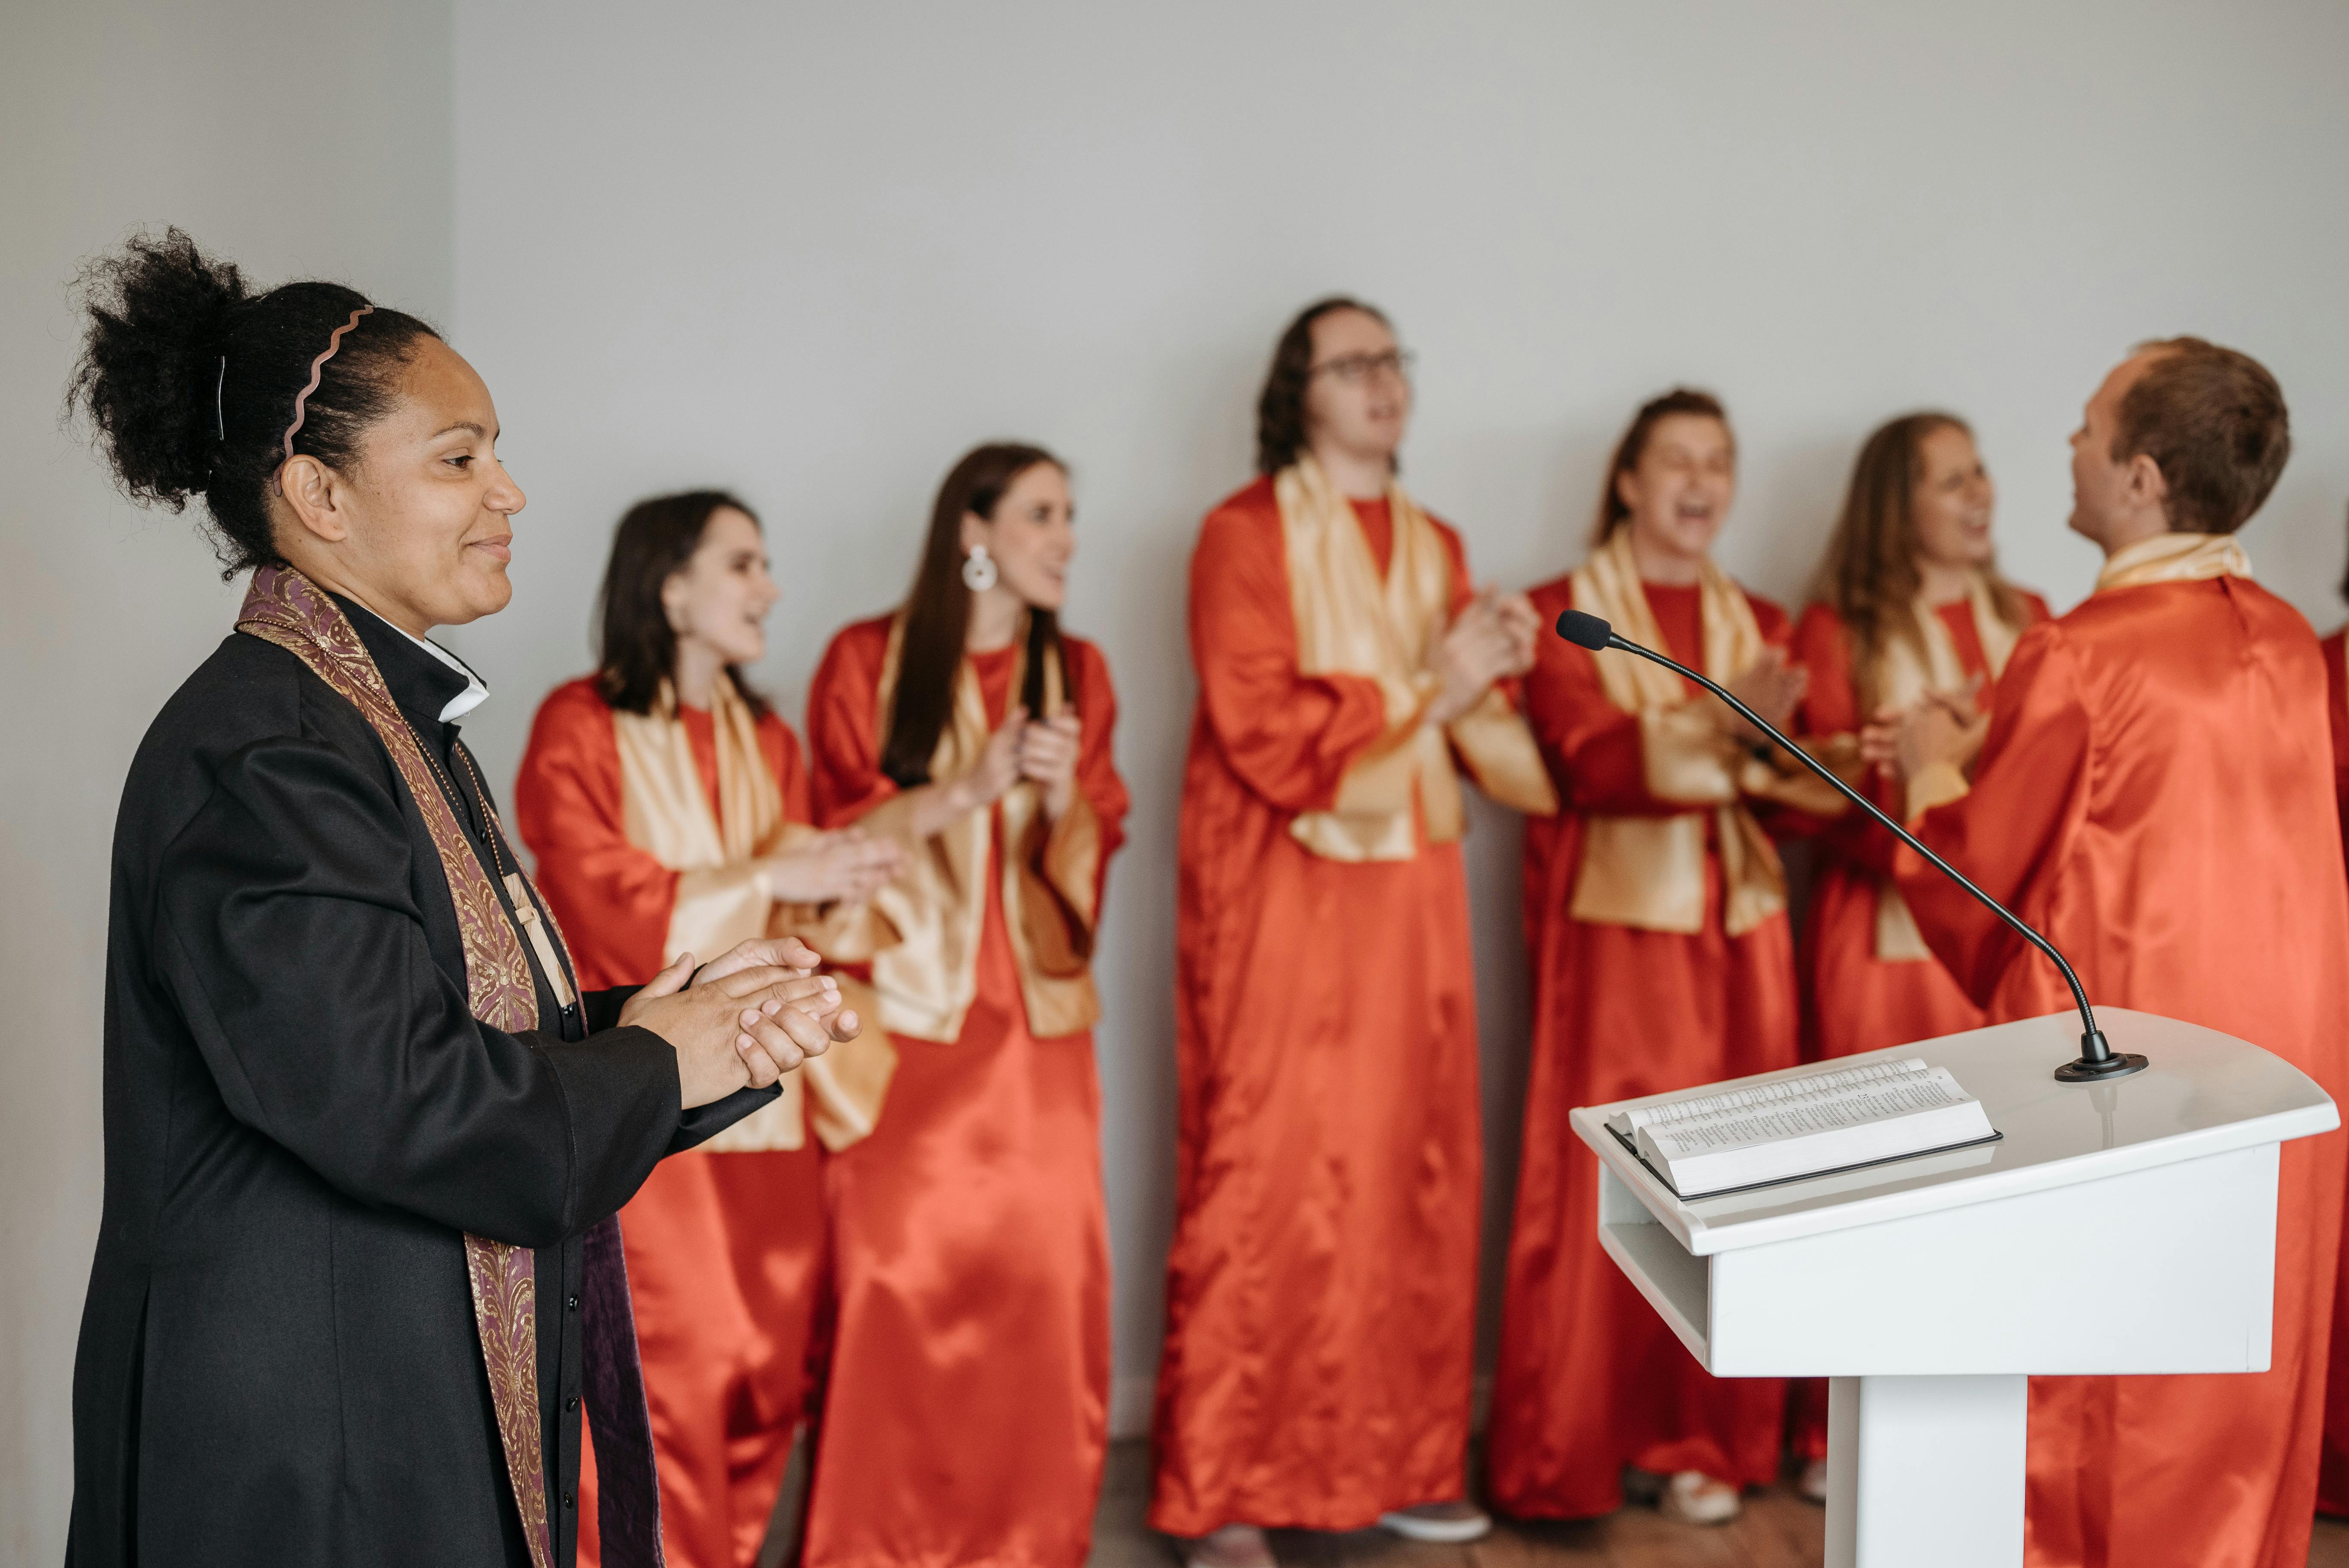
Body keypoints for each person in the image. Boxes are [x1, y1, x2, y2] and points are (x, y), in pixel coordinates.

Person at [62, 229, 858, 1568]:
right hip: (312, 1447)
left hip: (385, 1391)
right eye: (460, 456)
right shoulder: (262, 748)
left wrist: (670, 1022)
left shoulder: (379, 715)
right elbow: (398, 1097)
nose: (512, 492)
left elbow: (434, 1024)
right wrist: (660, 1062)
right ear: (318, 491)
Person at [1878, 338, 2346, 1568]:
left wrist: (1930, 762)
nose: (2069, 451)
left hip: (2139, 1079)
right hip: (2285, 1074)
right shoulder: (2293, 640)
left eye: (2087, 431)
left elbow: (1982, 886)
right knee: (2240, 1375)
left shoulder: (2078, 652)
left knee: (2114, 1384)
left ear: (2140, 478)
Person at [1152, 298, 1553, 1568]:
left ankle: (1394, 1456)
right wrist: (1437, 681)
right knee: (1268, 1171)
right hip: (1282, 888)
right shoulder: (1242, 532)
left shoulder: (1436, 541)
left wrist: (1491, 676)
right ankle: (1223, 1486)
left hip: (1410, 899)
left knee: (1411, 1164)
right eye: (1353, 362)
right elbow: (1261, 724)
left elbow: (1471, 733)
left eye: (1394, 359)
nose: (1384, 381)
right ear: (1297, 390)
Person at [514, 491, 903, 1568]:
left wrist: (838, 883)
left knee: (768, 1374)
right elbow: (599, 900)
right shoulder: (575, 726)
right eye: (744, 564)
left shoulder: (767, 737)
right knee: (678, 1373)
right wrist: (780, 869)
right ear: (669, 585)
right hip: (651, 1106)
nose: (770, 588)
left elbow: (792, 909)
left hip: (771, 1108)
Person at [1488, 388, 1839, 1528]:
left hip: (1740, 938)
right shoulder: (1561, 611)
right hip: (1620, 941)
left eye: (1721, 461)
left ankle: (1711, 1434)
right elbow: (1586, 760)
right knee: (1610, 1184)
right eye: (1676, 459)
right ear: (1628, 480)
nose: (1701, 481)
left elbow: (1794, 801)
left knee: (1743, 1177)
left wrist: (1817, 755)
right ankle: (1575, 1443)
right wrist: (1729, 734)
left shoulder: (1767, 622)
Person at [797, 442, 1129, 1568]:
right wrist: (970, 789)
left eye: (1071, 513)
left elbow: (1102, 837)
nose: (1067, 536)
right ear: (972, 533)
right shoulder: (862, 658)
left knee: (1047, 1291)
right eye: (1043, 512)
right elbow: (829, 843)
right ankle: (875, 1542)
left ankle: (1030, 1542)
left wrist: (1062, 800)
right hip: (900, 1034)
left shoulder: (1080, 670)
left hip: (1035, 1037)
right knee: (892, 1287)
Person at [1783, 413, 2051, 1493]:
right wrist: (1894, 773)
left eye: (1981, 469)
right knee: (1865, 1182)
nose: (1980, 492)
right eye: (1950, 480)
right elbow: (1809, 809)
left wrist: (1968, 760)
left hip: (2000, 948)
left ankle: (1982, 1419)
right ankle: (1834, 1437)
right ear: (1898, 505)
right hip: (1879, 941)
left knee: (2004, 1182)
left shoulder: (2032, 620)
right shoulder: (1834, 628)